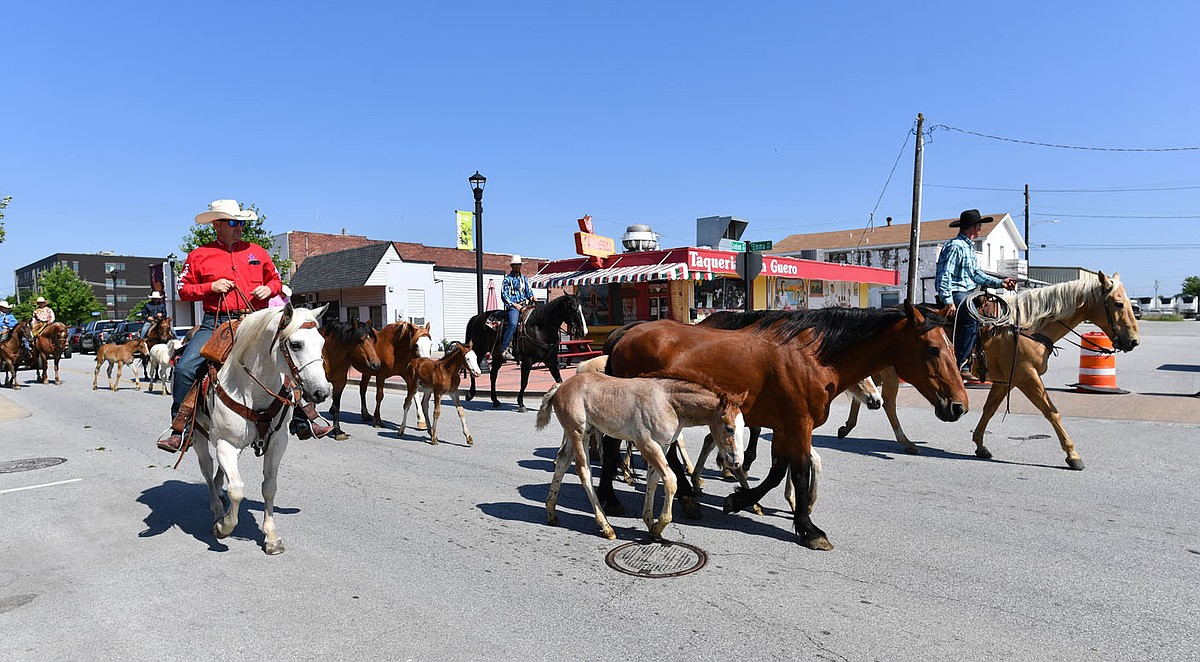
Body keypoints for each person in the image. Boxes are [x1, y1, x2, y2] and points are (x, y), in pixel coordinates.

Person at [156, 199, 283, 453]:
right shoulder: (199, 255)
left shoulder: (257, 252)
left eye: (242, 223)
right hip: (217, 323)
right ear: (217, 225)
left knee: (291, 355)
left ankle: (304, 418)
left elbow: (276, 281)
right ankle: (181, 427)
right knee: (184, 368)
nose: (239, 228)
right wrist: (210, 287)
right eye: (233, 223)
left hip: (254, 320)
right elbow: (183, 290)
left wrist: (268, 288)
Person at [934, 209, 1018, 380]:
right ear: (975, 228)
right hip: (958, 291)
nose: (980, 229)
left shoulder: (967, 248)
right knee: (970, 316)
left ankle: (980, 360)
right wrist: (948, 300)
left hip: (969, 291)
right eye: (979, 226)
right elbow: (944, 275)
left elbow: (976, 274)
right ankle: (960, 363)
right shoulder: (955, 246)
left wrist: (1000, 283)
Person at [498, 254, 535, 361]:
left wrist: (532, 296)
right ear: (512, 266)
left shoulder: (524, 279)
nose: (518, 267)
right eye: (515, 265)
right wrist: (516, 305)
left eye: (519, 265)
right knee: (513, 323)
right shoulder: (507, 279)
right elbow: (504, 295)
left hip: (525, 304)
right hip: (513, 306)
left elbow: (528, 291)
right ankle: (504, 349)